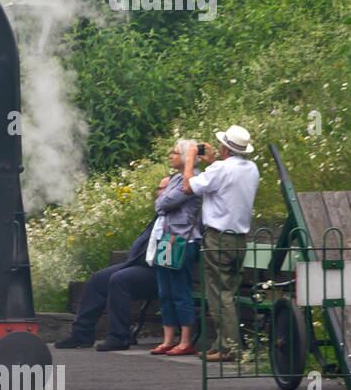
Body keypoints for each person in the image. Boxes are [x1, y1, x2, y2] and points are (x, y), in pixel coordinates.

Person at [54, 180, 165, 351]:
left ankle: (119, 337)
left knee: (119, 279)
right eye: (158, 188)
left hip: (160, 271)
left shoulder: (176, 213)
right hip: (140, 264)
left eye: (162, 188)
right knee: (98, 279)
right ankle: (81, 335)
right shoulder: (160, 212)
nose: (158, 192)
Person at [182, 125, 260, 362]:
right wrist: (213, 162)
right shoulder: (252, 168)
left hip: (218, 238)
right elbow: (223, 184)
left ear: (225, 148)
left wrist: (189, 159)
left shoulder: (220, 168)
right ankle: (220, 344)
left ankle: (230, 348)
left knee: (218, 294)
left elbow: (188, 187)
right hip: (239, 239)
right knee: (230, 292)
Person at [151, 142, 205, 355]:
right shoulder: (174, 179)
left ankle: (185, 341)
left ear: (186, 157)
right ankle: (168, 340)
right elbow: (161, 203)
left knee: (180, 291)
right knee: (165, 291)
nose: (170, 155)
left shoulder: (194, 180)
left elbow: (165, 202)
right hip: (166, 240)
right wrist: (163, 200)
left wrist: (163, 199)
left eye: (174, 152)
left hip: (183, 240)